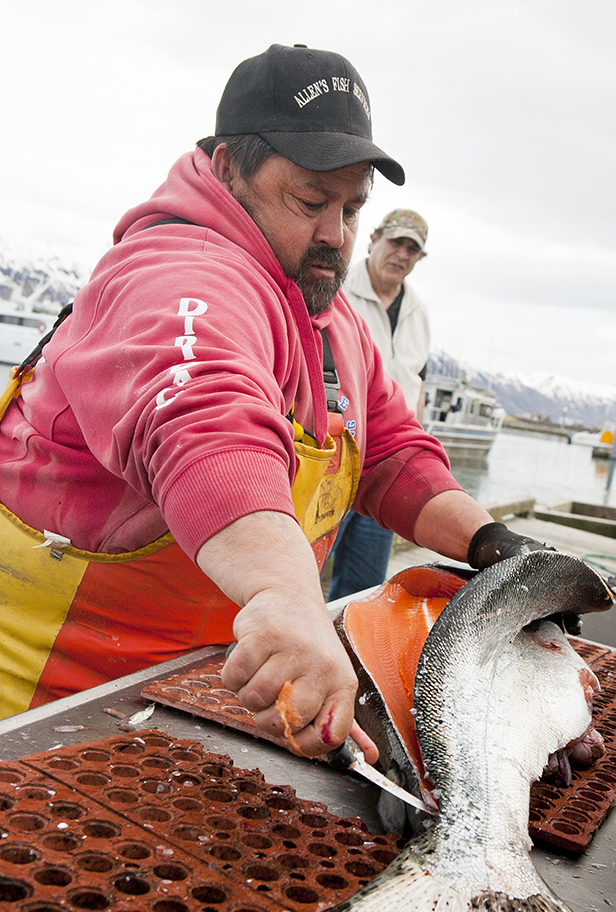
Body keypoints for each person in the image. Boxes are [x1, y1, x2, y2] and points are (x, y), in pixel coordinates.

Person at [0, 43, 547, 759]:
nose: (337, 236)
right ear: (228, 169)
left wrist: (495, 545)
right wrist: (291, 601)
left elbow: (391, 453)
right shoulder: (173, 276)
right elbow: (205, 428)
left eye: (353, 208)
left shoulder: (331, 316)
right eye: (311, 201)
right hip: (40, 717)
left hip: (190, 704)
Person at [328, 208, 431, 601]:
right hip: (335, 457)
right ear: (373, 240)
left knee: (366, 588)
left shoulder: (419, 312)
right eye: (395, 243)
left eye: (412, 249)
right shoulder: (334, 288)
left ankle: (351, 656)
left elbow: (416, 380)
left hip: (387, 463)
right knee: (304, 572)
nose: (401, 254)